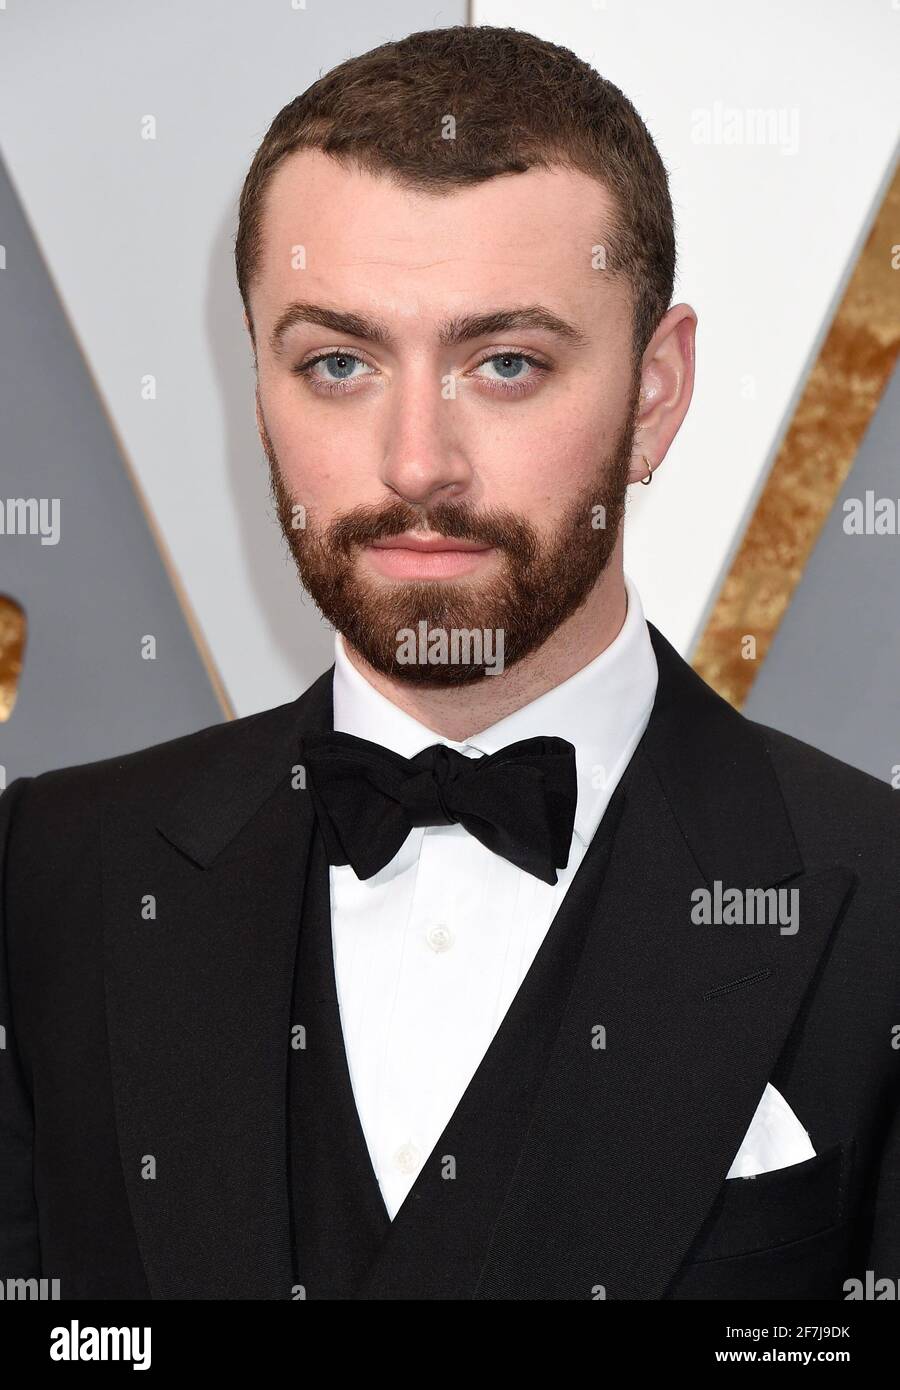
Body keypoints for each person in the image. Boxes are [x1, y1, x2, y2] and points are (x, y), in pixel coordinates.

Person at [1, 25, 897, 1301]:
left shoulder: (881, 908)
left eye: (508, 363)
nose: (417, 462)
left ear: (654, 393)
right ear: (257, 383)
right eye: (340, 365)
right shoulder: (51, 877)